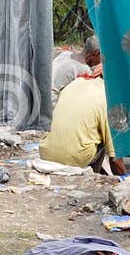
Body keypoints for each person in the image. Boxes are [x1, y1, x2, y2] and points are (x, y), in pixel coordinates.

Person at [40, 37, 118, 174]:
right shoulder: (84, 72)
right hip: (53, 110)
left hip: (45, 148)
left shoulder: (66, 59)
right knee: (104, 135)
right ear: (97, 53)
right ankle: (95, 174)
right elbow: (115, 156)